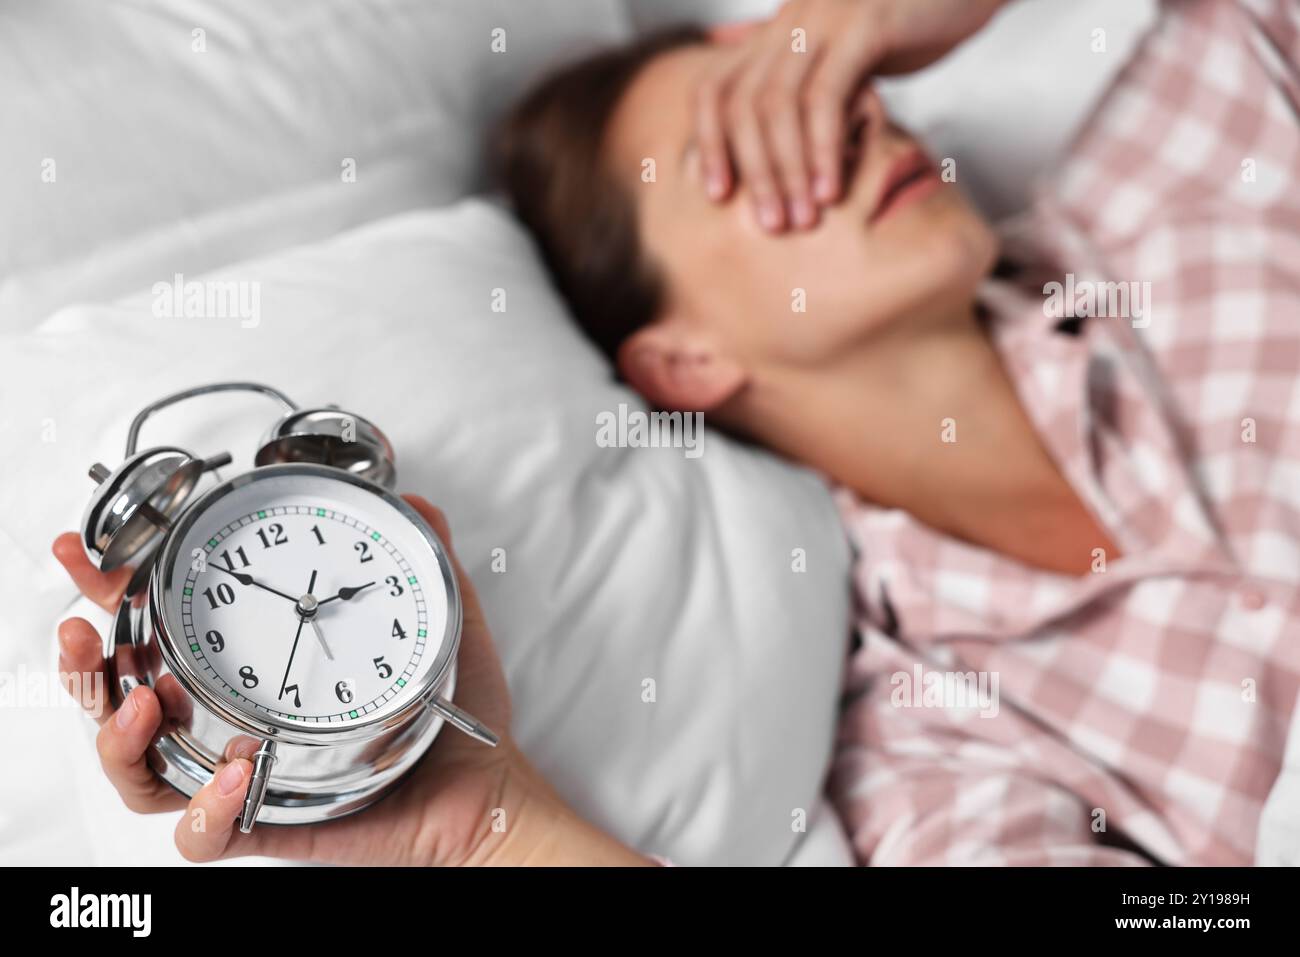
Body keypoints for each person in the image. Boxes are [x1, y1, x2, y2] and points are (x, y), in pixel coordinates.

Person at [58, 0, 1300, 865]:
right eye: (740, 150)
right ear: (684, 360)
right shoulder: (938, 731)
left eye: (811, 88)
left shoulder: (1194, 156)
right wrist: (485, 836)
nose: (846, 118)